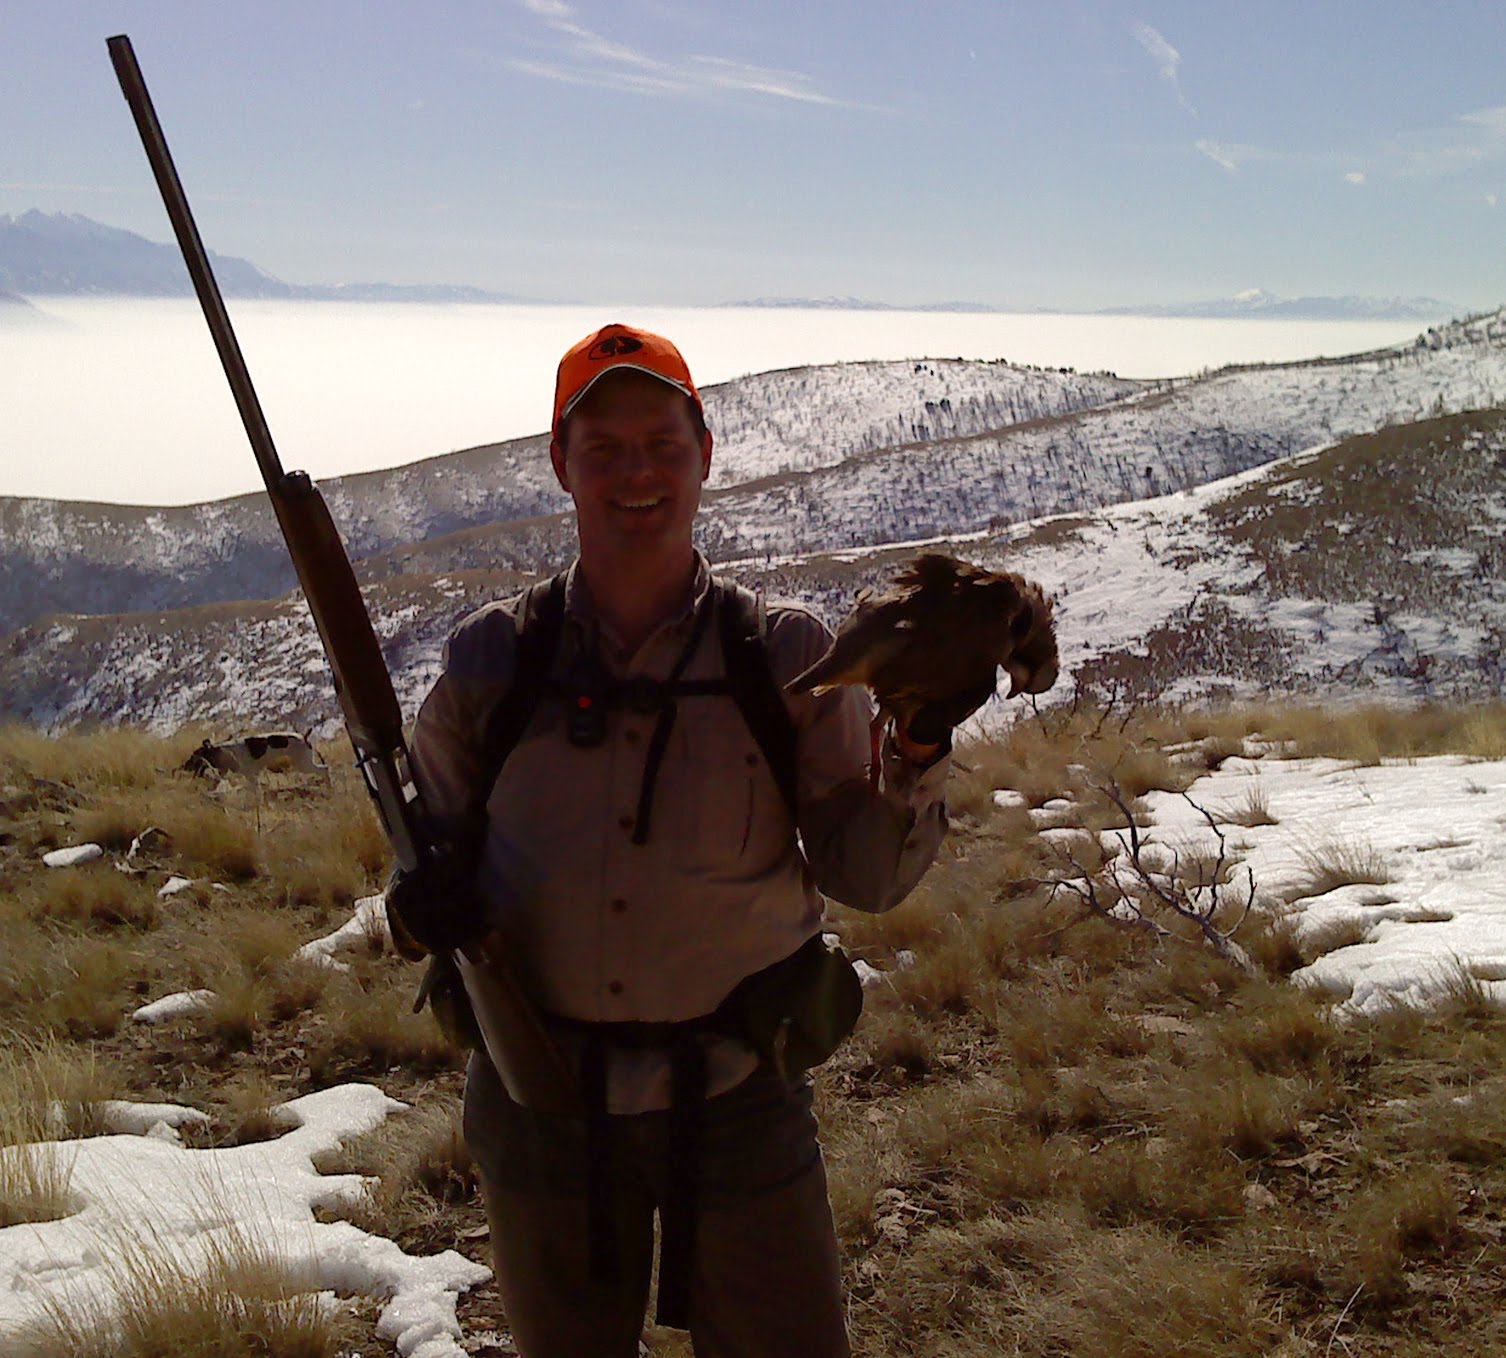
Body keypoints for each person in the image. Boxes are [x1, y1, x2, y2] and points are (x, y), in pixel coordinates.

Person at [395, 323, 958, 1358]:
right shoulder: (491, 662)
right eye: (601, 447)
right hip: (540, 1101)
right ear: (561, 463)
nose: (635, 472)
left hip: (740, 1099)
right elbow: (424, 849)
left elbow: (866, 874)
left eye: (661, 440)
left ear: (705, 451)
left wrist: (920, 740)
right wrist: (417, 900)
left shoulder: (785, 657)